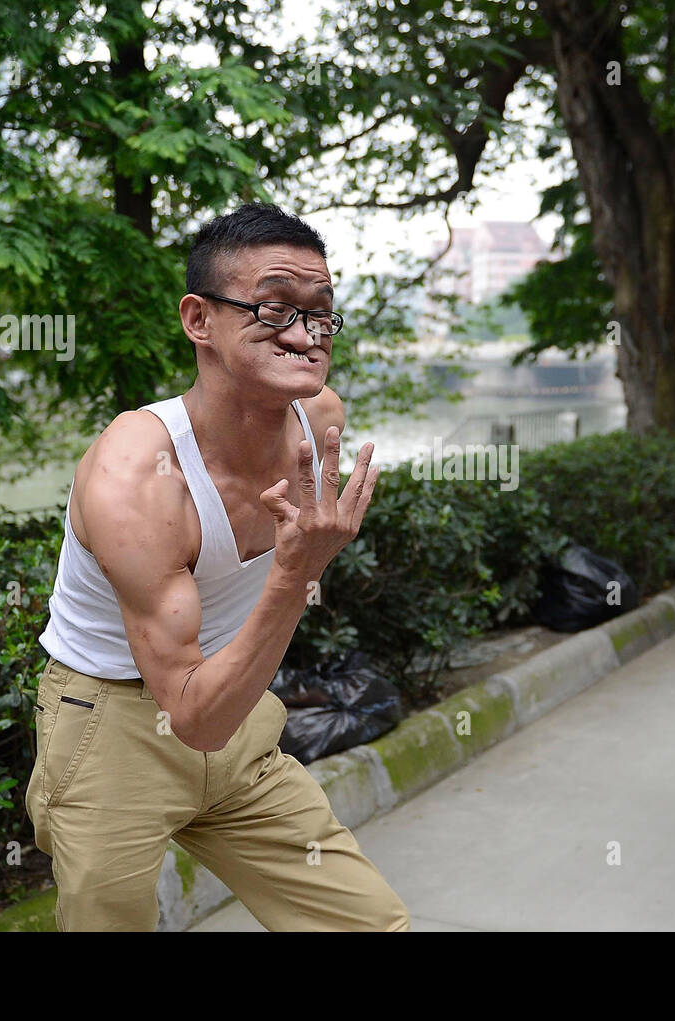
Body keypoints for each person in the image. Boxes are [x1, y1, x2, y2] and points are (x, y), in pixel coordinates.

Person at [27, 202, 410, 931]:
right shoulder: (136, 469)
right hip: (115, 724)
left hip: (238, 716)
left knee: (370, 925)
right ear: (199, 320)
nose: (303, 335)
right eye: (272, 308)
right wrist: (299, 570)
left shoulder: (318, 418)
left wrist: (298, 565)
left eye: (320, 313)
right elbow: (192, 714)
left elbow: (216, 714)